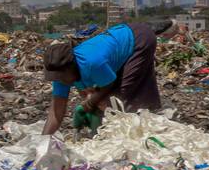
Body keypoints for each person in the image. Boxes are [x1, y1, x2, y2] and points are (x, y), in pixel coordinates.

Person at [42, 20, 170, 135]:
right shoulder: (59, 73)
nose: (60, 80)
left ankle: (146, 127)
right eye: (56, 77)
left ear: (71, 66)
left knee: (122, 95)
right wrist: (43, 142)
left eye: (62, 76)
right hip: (117, 46)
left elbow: (109, 83)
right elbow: (56, 111)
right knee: (105, 102)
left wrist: (90, 103)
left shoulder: (92, 63)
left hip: (138, 40)